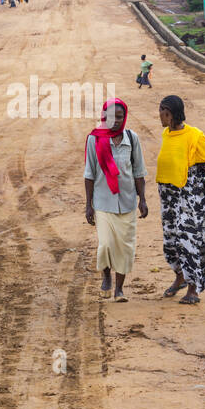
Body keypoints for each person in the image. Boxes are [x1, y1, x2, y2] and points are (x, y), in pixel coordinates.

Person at [84, 98, 147, 302]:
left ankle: (119, 289)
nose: (116, 121)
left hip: (127, 201)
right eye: (111, 117)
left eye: (120, 117)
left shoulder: (132, 138)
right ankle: (106, 276)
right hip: (103, 201)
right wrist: (88, 205)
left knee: (125, 247)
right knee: (106, 244)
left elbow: (138, 171)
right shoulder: (94, 139)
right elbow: (89, 173)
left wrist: (143, 199)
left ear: (125, 117)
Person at [155, 95, 205, 305]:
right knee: (171, 242)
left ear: (169, 113)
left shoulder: (195, 135)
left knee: (190, 240)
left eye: (161, 111)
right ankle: (180, 277)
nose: (159, 116)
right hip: (168, 197)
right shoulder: (166, 133)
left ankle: (193, 289)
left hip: (189, 198)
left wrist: (194, 187)